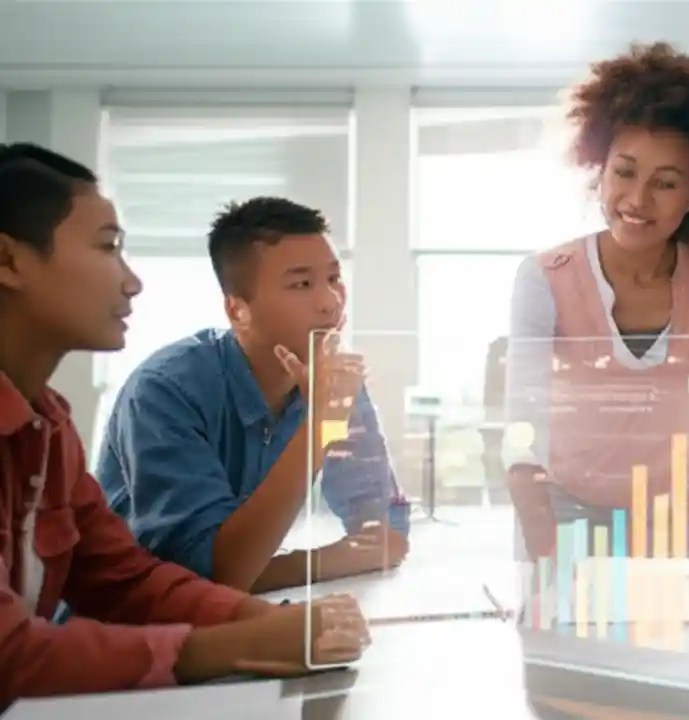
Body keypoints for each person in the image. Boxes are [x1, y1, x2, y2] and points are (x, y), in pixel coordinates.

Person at [0, 144, 368, 707]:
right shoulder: (167, 387)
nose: (133, 283)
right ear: (7, 263)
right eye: (107, 248)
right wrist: (239, 641)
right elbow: (13, 657)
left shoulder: (47, 426)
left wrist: (268, 621)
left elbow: (125, 579)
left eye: (333, 280)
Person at [504, 41, 689, 561]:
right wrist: (546, 554)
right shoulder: (544, 277)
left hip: (672, 513)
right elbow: (522, 426)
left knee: (678, 639)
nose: (638, 200)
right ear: (598, 167)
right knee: (562, 639)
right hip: (560, 506)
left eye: (665, 183)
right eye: (624, 172)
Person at [96, 197, 409, 593]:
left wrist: (268, 570)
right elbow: (209, 573)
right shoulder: (165, 390)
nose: (330, 301)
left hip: (230, 614)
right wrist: (322, 422)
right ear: (237, 310)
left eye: (334, 278)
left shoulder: (334, 379)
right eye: (301, 284)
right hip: (125, 627)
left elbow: (384, 537)